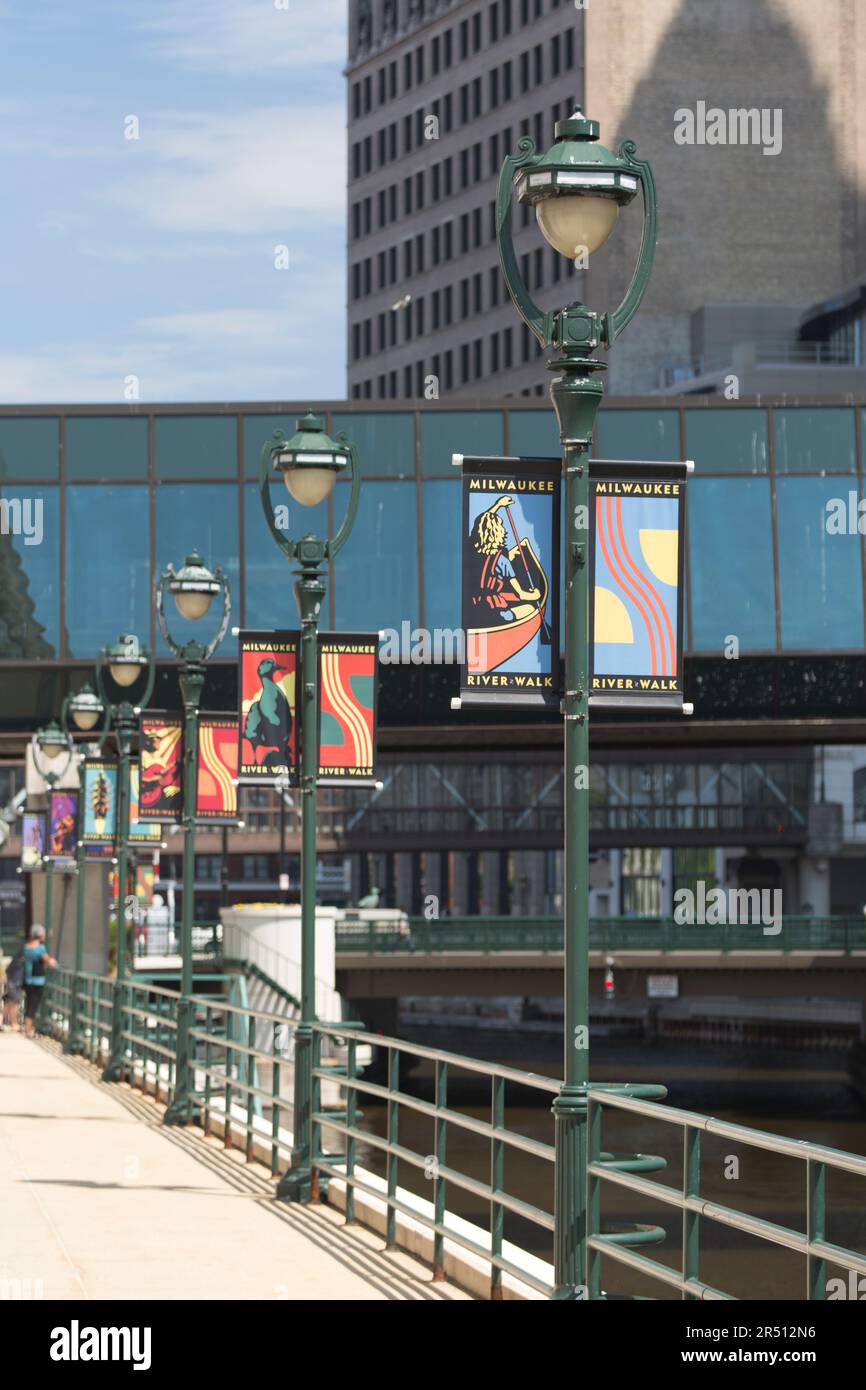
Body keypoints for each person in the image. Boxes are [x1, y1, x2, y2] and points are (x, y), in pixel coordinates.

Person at [22, 925, 56, 1039]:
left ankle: (28, 1028)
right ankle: (29, 1030)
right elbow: (48, 961)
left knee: (29, 1004)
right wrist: (53, 962)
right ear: (40, 935)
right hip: (38, 981)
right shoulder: (40, 948)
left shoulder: (27, 947)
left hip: (27, 980)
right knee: (34, 1005)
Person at [2, 945, 26, 1031]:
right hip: (15, 984)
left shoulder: (16, 960)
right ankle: (14, 1024)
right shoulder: (20, 962)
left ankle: (4, 1021)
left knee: (10, 1003)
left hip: (13, 983)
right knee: (14, 1004)